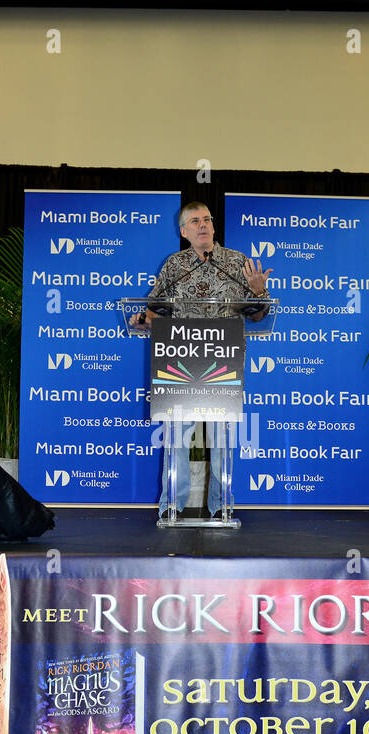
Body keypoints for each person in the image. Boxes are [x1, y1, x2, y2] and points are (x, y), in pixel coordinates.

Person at [139, 202, 271, 519]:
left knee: (222, 438)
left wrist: (258, 292)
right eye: (195, 221)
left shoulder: (237, 262)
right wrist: (142, 319)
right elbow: (157, 308)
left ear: (214, 226)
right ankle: (172, 505)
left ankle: (222, 504)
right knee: (177, 438)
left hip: (223, 358)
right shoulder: (174, 265)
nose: (203, 225)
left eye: (207, 220)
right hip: (180, 358)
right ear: (184, 231)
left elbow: (259, 316)